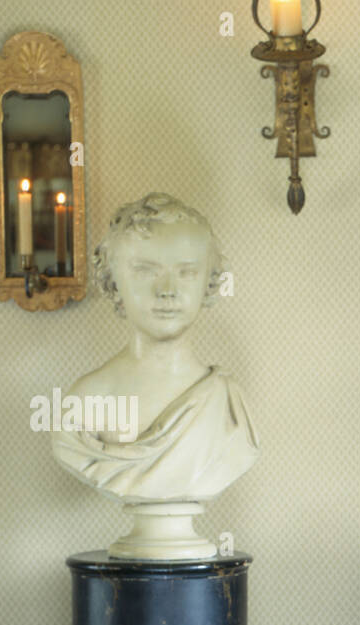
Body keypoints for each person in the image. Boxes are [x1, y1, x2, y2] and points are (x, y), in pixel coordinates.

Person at [52, 192, 258, 512]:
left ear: (209, 281)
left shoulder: (229, 409)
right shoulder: (83, 404)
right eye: (146, 270)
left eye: (186, 272)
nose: (167, 290)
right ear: (113, 282)